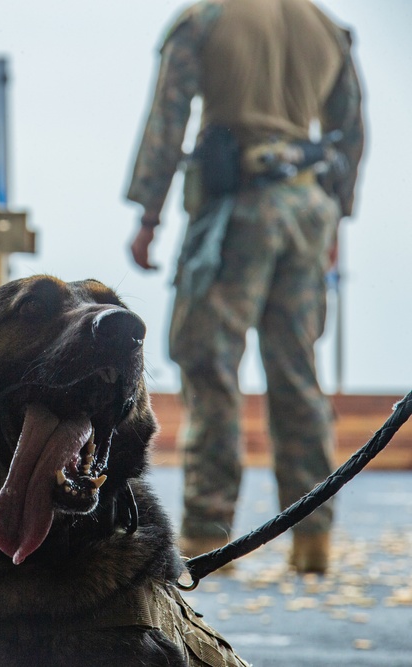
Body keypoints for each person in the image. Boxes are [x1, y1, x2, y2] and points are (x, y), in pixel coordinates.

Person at [125, 0, 364, 574]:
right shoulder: (326, 27)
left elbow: (168, 117)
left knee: (210, 367)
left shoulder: (204, 19)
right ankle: (313, 541)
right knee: (297, 371)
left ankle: (209, 535)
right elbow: (351, 130)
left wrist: (149, 214)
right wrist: (339, 214)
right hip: (308, 212)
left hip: (236, 214)